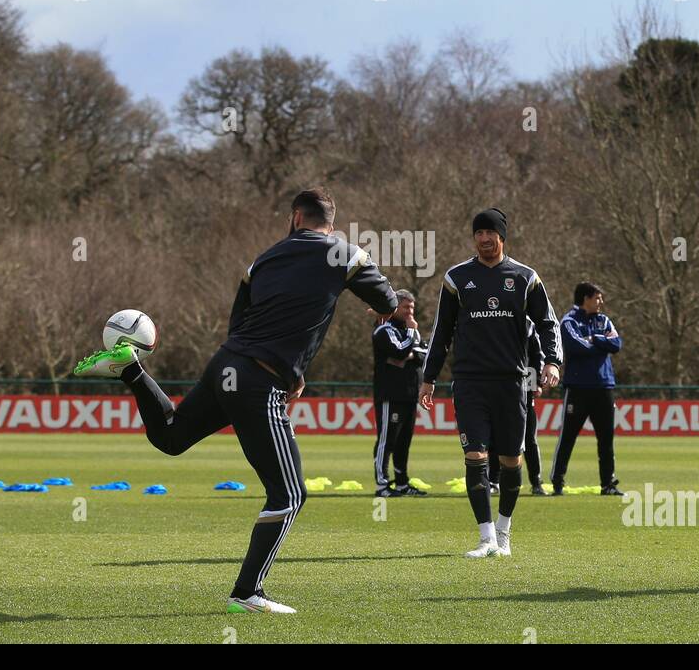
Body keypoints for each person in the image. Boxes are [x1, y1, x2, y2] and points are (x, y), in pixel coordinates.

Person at [74, 188, 397, 613]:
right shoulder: (346, 254)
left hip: (226, 364)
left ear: (295, 218)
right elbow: (387, 302)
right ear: (328, 224)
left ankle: (131, 370)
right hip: (258, 381)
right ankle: (247, 593)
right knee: (289, 495)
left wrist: (286, 368)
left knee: (171, 437)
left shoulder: (262, 259)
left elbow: (240, 321)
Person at [419, 207, 562, 558]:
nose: (484, 239)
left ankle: (504, 532)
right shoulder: (457, 278)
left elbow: (548, 322)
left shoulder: (525, 277)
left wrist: (553, 362)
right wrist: (428, 378)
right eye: (478, 233)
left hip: (512, 382)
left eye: (490, 233)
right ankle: (485, 538)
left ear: (502, 237)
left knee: (512, 460)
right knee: (475, 454)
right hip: (469, 381)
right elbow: (441, 332)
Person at [550, 282, 624, 496]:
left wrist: (594, 339)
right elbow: (576, 347)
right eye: (597, 298)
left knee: (606, 439)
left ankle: (608, 484)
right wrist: (601, 345)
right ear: (585, 298)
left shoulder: (603, 320)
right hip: (578, 388)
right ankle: (558, 482)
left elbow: (616, 344)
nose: (601, 302)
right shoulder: (569, 321)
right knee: (568, 437)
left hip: (604, 387)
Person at [371, 290, 428, 497]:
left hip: (410, 395)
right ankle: (382, 485)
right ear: (395, 308)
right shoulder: (384, 331)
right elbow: (401, 352)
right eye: (406, 307)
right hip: (391, 394)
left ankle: (402, 483)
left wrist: (410, 351)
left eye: (412, 308)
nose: (410, 312)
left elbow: (424, 356)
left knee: (404, 442)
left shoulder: (408, 331)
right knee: (387, 441)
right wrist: (412, 339)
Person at [489, 324, 547, 495]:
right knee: (495, 433)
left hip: (524, 384)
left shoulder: (527, 322)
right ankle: (494, 480)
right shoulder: (492, 317)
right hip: (496, 383)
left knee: (529, 436)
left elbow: (537, 354)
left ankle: (536, 482)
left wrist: (537, 381)